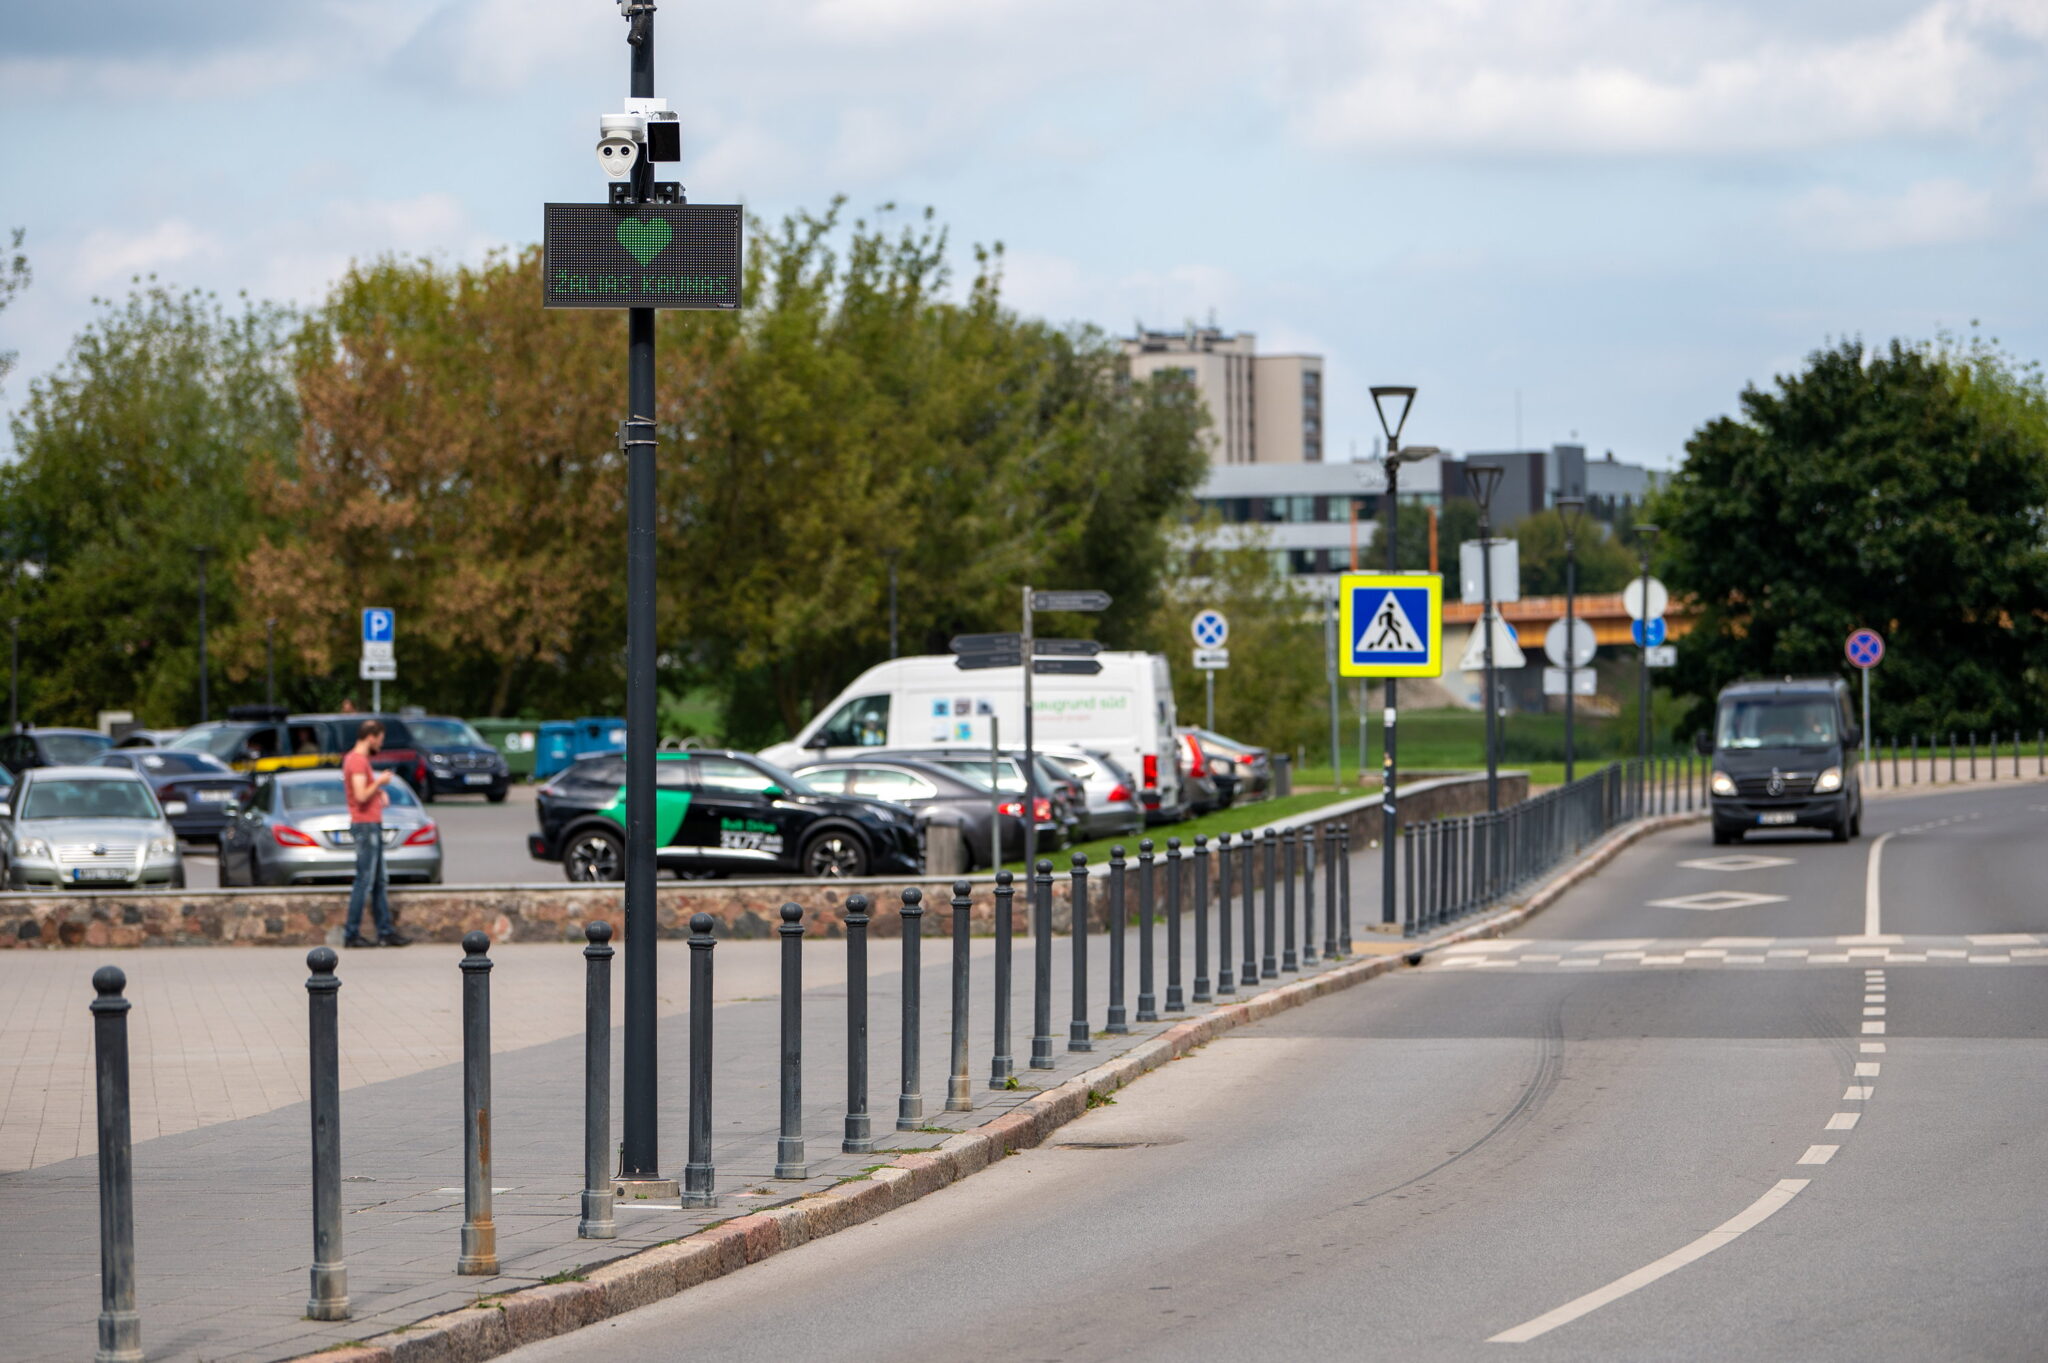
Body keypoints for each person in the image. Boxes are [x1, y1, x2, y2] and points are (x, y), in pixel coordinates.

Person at [342, 719, 410, 948]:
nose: (380, 744)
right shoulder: (357, 760)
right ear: (371, 737)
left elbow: (364, 792)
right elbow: (360, 795)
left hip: (371, 823)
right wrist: (380, 781)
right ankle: (351, 934)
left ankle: (385, 932)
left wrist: (378, 791)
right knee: (364, 880)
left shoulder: (358, 760)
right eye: (380, 740)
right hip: (365, 825)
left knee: (379, 880)